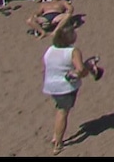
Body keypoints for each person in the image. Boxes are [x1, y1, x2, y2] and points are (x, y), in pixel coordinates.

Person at [43, 20, 101, 155]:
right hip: (65, 87)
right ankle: (58, 143)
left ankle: (55, 136)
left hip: (51, 85)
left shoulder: (50, 50)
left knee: (59, 108)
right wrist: (89, 68)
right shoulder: (73, 51)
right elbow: (80, 71)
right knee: (63, 112)